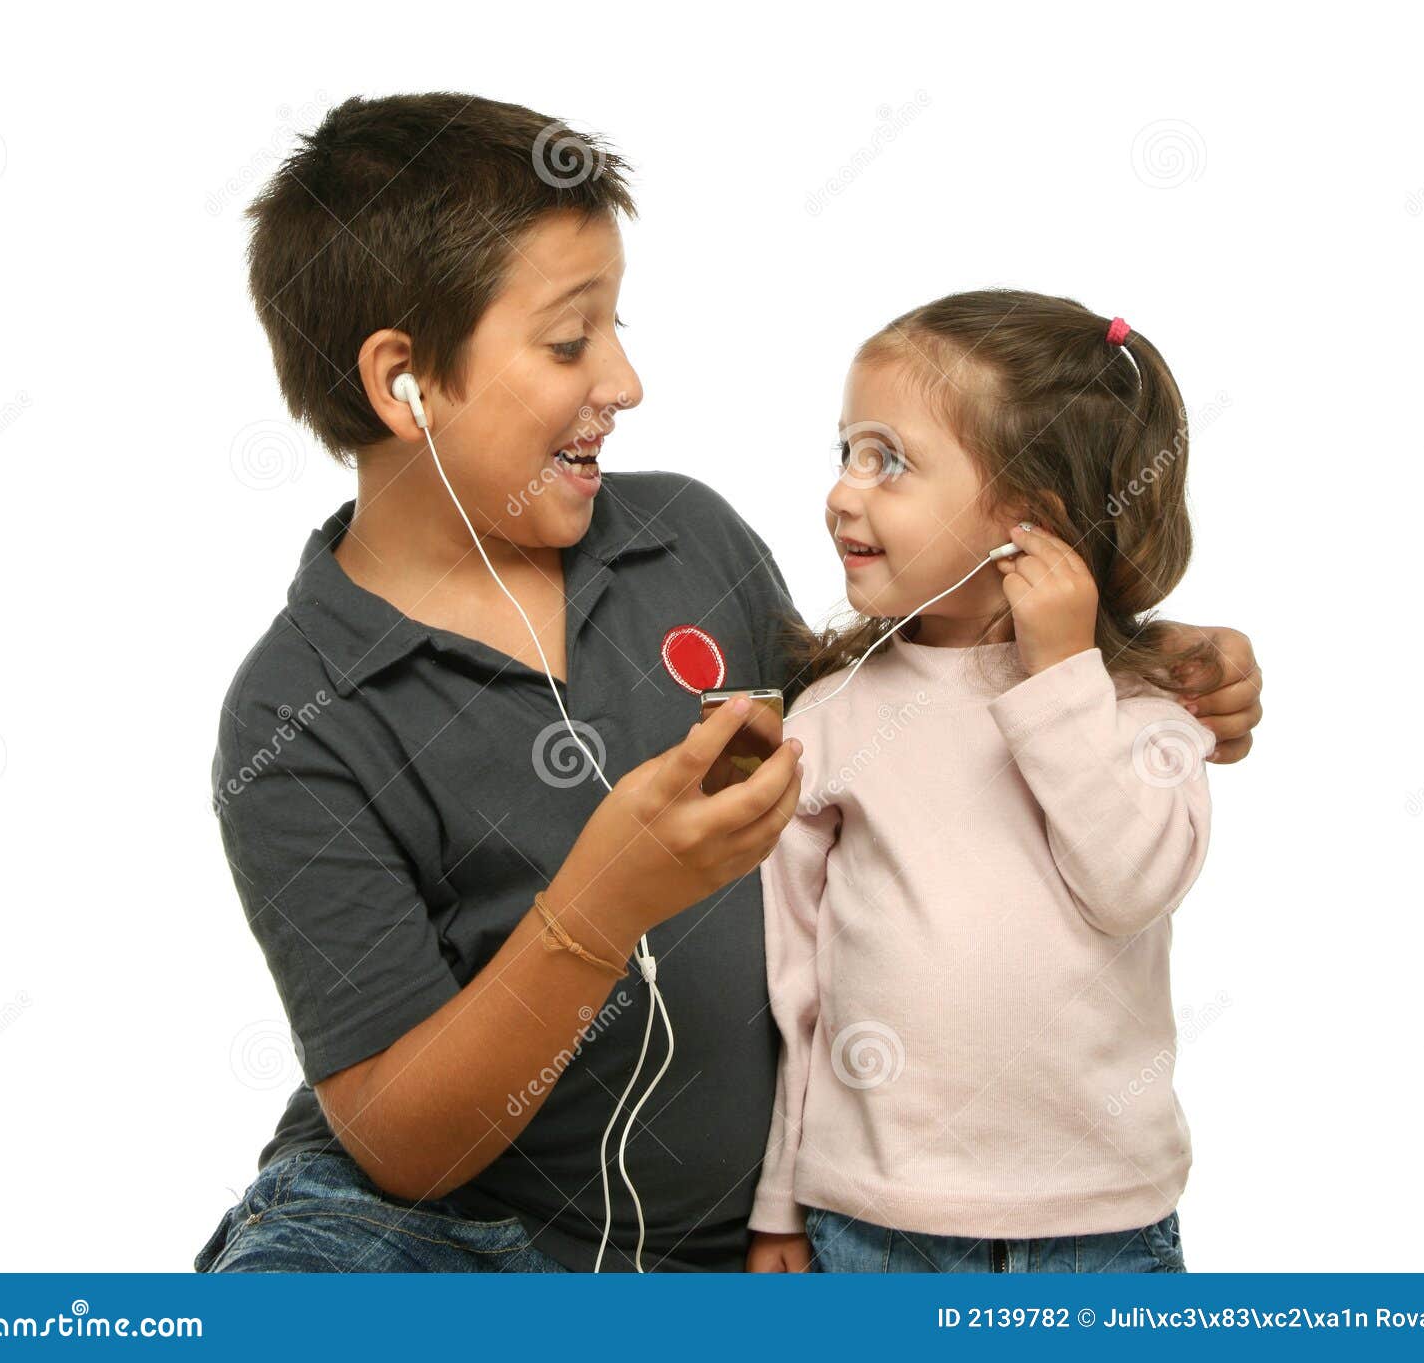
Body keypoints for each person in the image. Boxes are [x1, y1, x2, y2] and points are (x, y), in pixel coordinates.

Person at [193, 96, 1264, 1274]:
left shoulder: (683, 539)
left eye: (616, 327)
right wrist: (596, 908)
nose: (626, 380)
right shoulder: (298, 712)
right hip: (445, 1231)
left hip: (744, 1244)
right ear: (404, 381)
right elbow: (401, 1144)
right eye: (569, 341)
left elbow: (907, 684)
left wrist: (1124, 652)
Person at [746, 292, 1228, 1274]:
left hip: (1105, 1225)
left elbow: (1129, 885)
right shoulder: (830, 721)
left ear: (1032, 522)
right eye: (846, 451)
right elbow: (790, 987)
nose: (842, 492)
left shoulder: (1140, 711)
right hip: (876, 1224)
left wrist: (1061, 678)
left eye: (889, 460)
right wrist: (778, 1200)